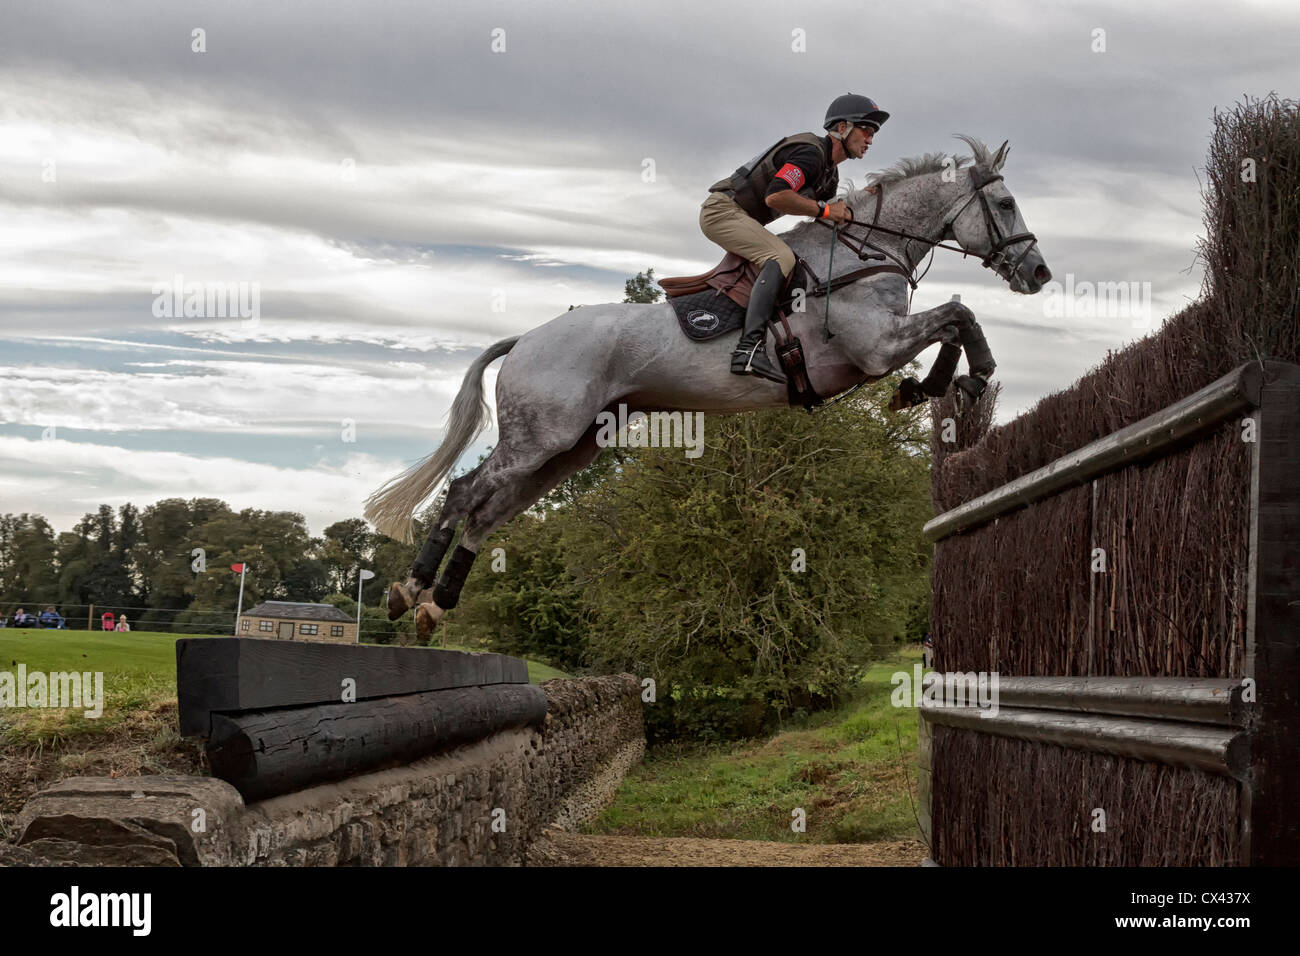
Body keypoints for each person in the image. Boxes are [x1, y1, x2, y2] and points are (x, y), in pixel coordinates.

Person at [700, 93, 889, 383]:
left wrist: (862, 200)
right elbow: (777, 196)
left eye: (873, 134)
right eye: (866, 130)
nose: (870, 140)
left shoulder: (829, 173)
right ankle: (748, 349)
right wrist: (827, 209)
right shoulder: (811, 154)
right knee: (780, 256)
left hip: (742, 216)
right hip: (721, 211)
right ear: (842, 128)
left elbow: (826, 211)